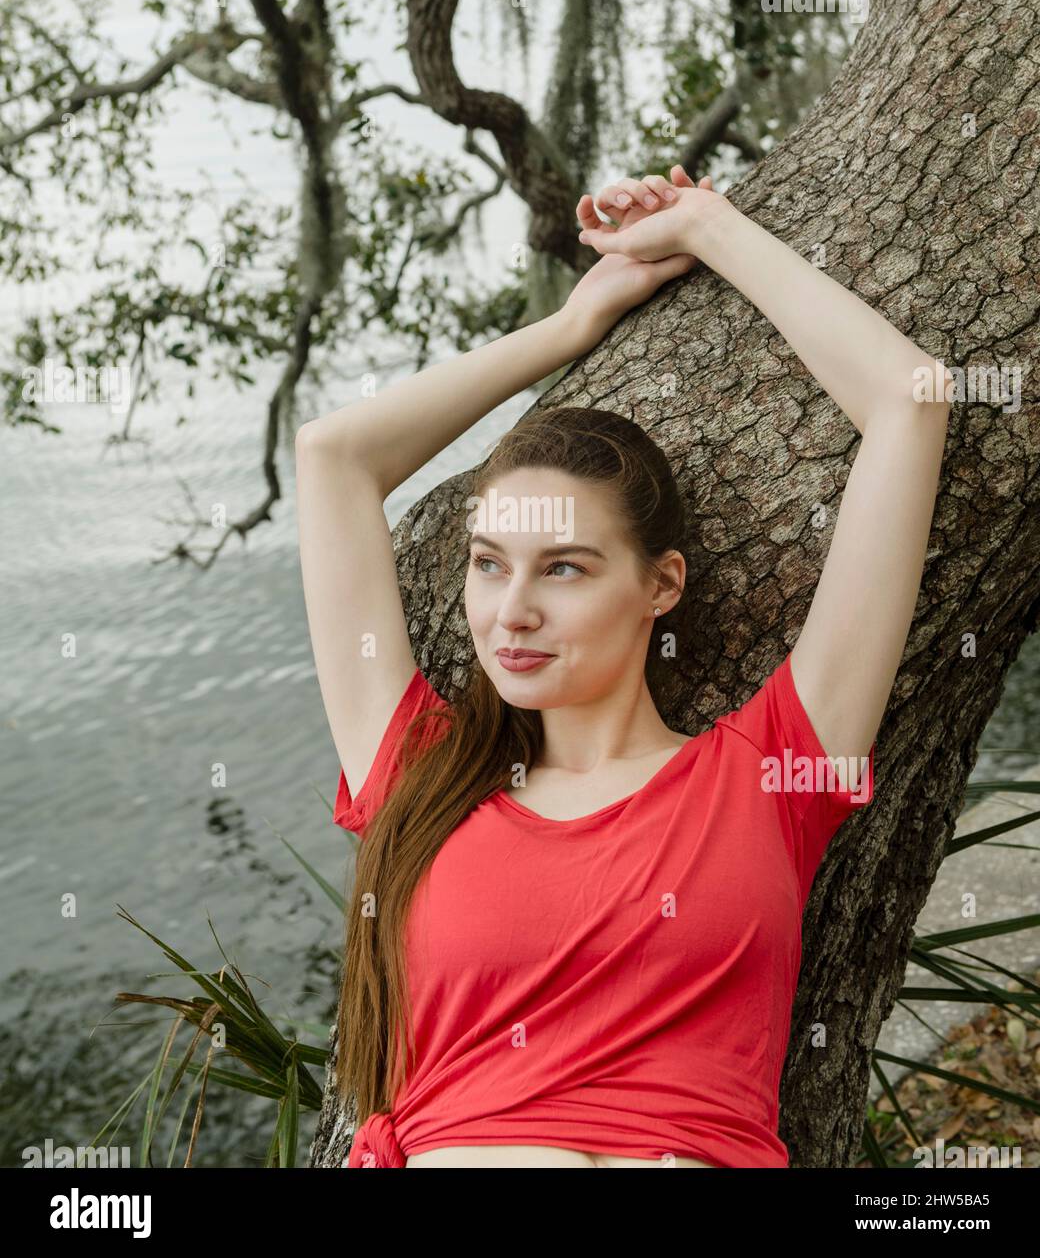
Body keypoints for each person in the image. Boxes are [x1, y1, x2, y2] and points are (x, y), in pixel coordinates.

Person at [295, 163, 952, 1168]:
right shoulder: (416, 773)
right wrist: (568, 328)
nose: (510, 609)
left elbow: (909, 401)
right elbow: (333, 457)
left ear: (660, 584)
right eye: (487, 564)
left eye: (562, 567)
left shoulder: (773, 771)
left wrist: (709, 226)